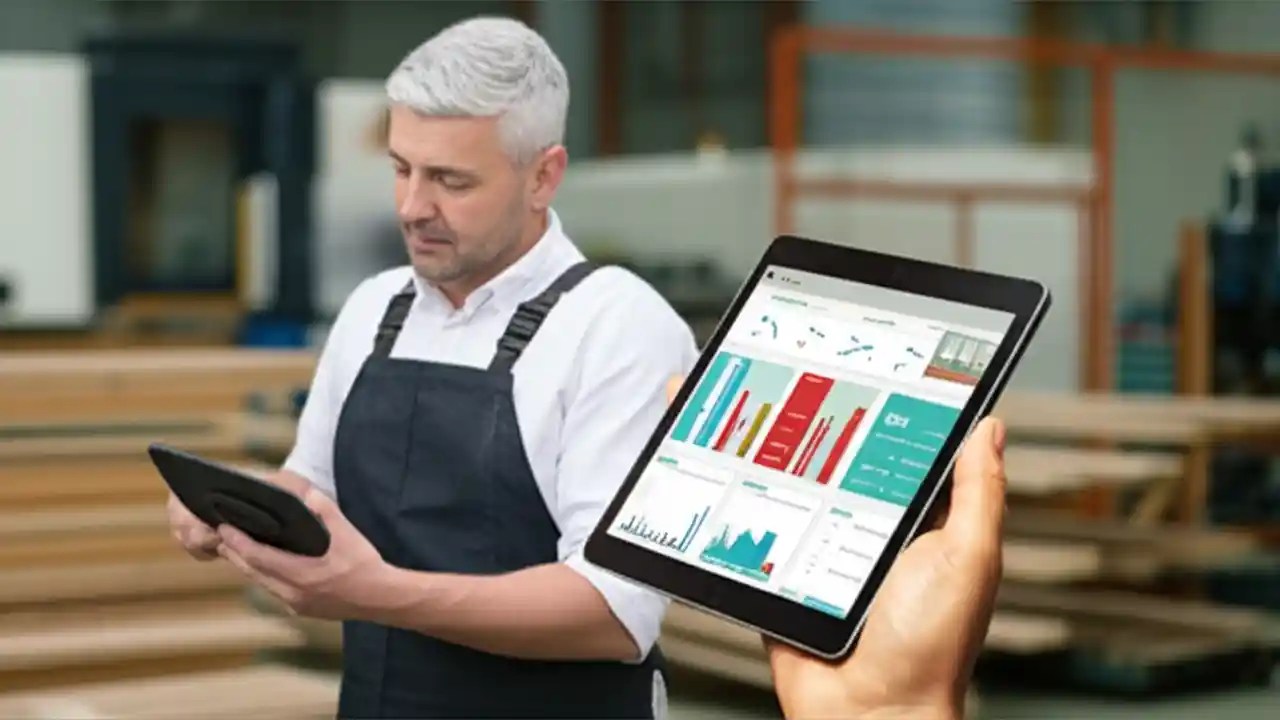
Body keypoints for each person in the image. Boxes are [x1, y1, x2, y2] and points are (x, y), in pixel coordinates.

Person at [168, 16, 698, 719]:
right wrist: (233, 508)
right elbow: (310, 488)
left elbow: (614, 611)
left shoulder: (617, 328)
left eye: (450, 180)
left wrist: (378, 592)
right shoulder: (372, 310)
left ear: (543, 176)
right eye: (401, 168)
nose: (414, 207)